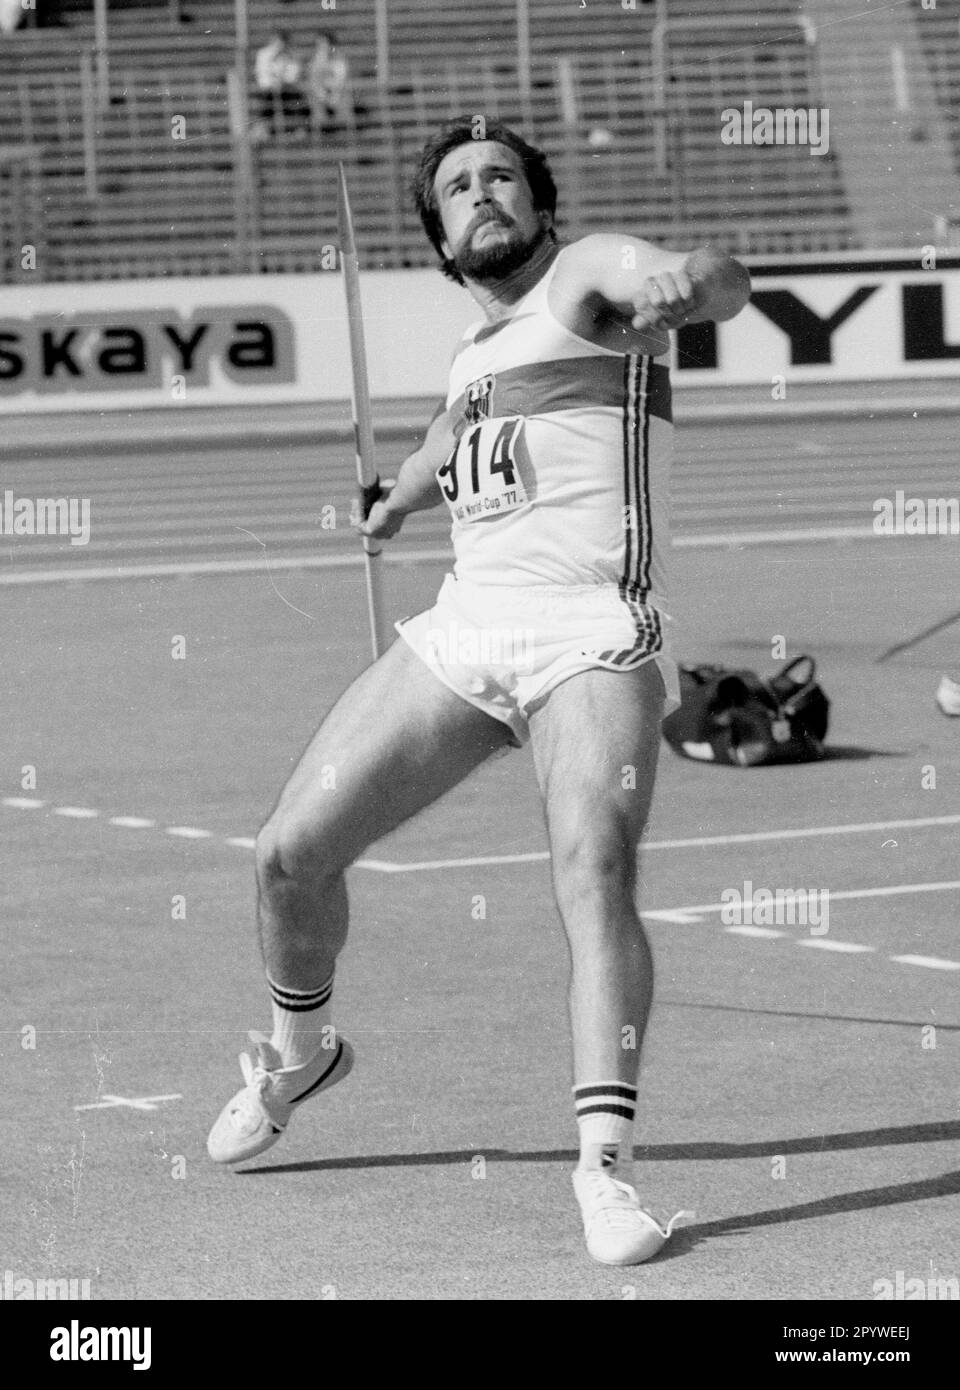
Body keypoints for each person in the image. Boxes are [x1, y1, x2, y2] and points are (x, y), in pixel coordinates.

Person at [207, 117, 751, 1266]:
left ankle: (603, 1170)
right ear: (442, 235)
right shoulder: (472, 353)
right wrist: (395, 499)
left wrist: (684, 281)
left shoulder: (593, 279)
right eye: (458, 186)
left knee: (592, 866)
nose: (483, 191)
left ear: (539, 202)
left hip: (590, 636)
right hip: (467, 632)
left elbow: (712, 278)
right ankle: (300, 1051)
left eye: (501, 175)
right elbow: (446, 435)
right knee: (286, 853)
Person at [253, 28, 306, 138]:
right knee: (267, 98)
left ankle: (297, 129)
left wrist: (282, 82)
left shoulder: (293, 55)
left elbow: (294, 75)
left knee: (296, 98)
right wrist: (274, 83)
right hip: (269, 89)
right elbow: (262, 75)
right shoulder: (263, 54)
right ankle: (263, 129)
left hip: (287, 88)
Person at [304, 30, 350, 133]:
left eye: (324, 44)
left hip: (336, 95)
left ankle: (341, 130)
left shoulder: (339, 61)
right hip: (320, 97)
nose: (322, 47)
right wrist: (324, 96)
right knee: (316, 101)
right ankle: (320, 130)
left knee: (342, 101)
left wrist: (334, 96)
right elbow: (314, 83)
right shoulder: (314, 63)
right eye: (319, 45)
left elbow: (341, 81)